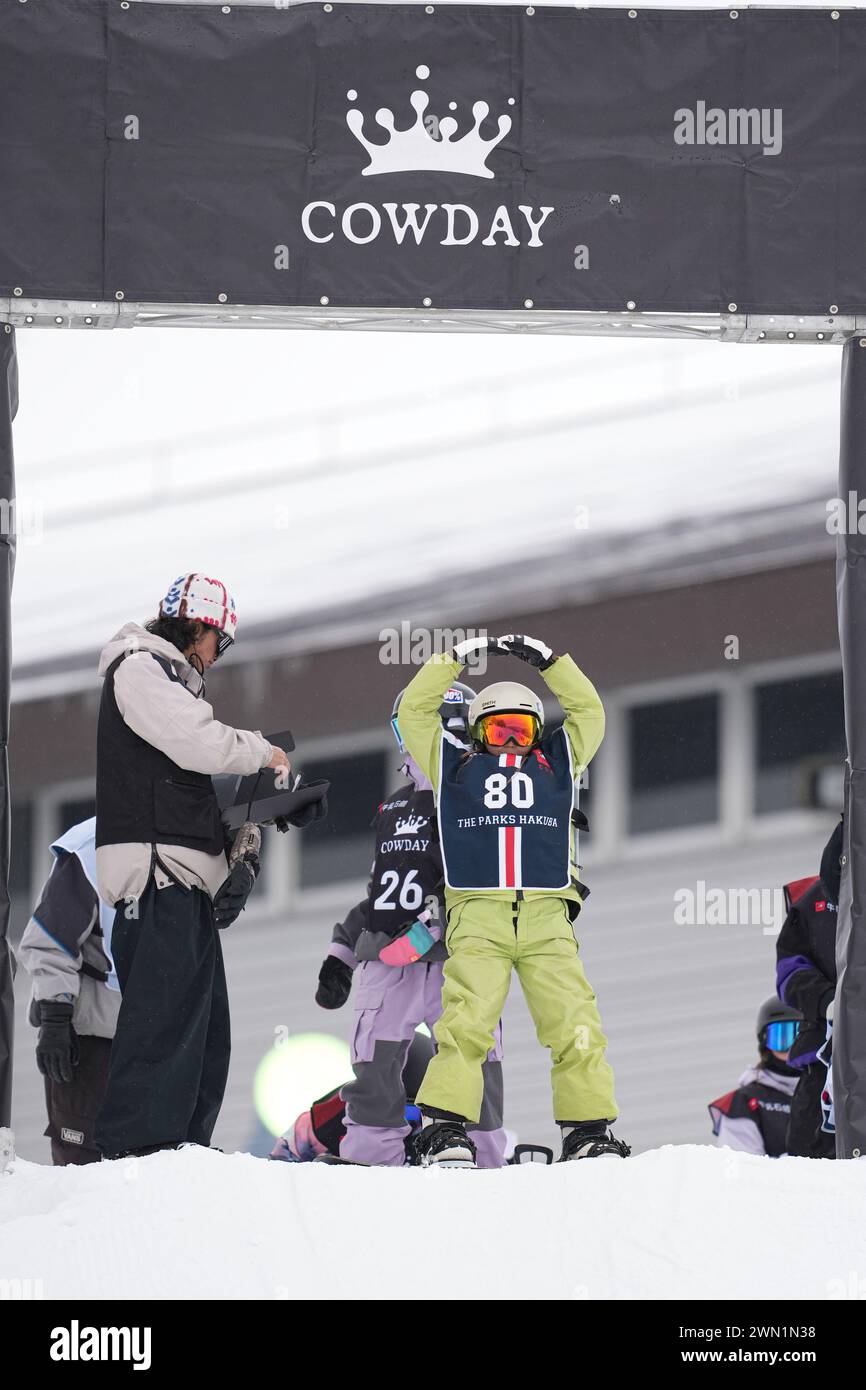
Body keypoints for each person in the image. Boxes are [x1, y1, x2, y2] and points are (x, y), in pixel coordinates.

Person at [398, 633, 628, 1166]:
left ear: (537, 731)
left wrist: (551, 662)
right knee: (466, 1024)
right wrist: (451, 659)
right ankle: (444, 1129)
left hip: (549, 919)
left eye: (520, 728)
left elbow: (588, 709)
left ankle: (588, 1131)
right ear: (477, 732)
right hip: (478, 918)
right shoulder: (451, 766)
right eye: (497, 728)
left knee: (576, 1022)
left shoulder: (559, 762)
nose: (509, 740)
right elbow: (415, 709)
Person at [94, 573, 291, 1159]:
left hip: (182, 890)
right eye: (219, 643)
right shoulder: (137, 668)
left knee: (205, 1039)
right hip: (158, 886)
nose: (215, 658)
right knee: (162, 1034)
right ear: (198, 627)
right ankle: (135, 1160)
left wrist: (258, 833)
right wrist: (263, 751)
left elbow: (189, 787)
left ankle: (184, 1156)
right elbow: (198, 741)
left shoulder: (168, 684)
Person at [315, 683, 507, 1167]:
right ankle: (371, 1160)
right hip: (388, 964)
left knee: (473, 1056)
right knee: (373, 1066)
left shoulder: (481, 801)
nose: (407, 741)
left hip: (454, 962)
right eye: (402, 728)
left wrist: (429, 931)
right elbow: (382, 893)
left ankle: (483, 1158)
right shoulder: (393, 807)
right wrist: (341, 952)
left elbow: (487, 883)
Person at [17, 817, 118, 1165]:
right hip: (88, 1043)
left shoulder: (183, 841)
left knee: (151, 1170)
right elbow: (49, 943)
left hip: (151, 1040)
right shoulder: (92, 848)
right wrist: (56, 1018)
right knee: (82, 1162)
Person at [775, 818, 841, 1159]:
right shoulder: (810, 902)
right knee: (805, 1167)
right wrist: (827, 1000)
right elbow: (790, 971)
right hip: (821, 1054)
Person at [269, 1032, 435, 1164]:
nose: (407, 1126)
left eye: (417, 1114)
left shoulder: (449, 1122)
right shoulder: (328, 1119)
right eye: (400, 1113)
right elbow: (282, 1166)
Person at [708, 997, 803, 1156]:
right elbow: (744, 1169)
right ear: (764, 1041)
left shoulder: (832, 1094)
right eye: (781, 1038)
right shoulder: (744, 1104)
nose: (791, 1050)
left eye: (798, 1037)